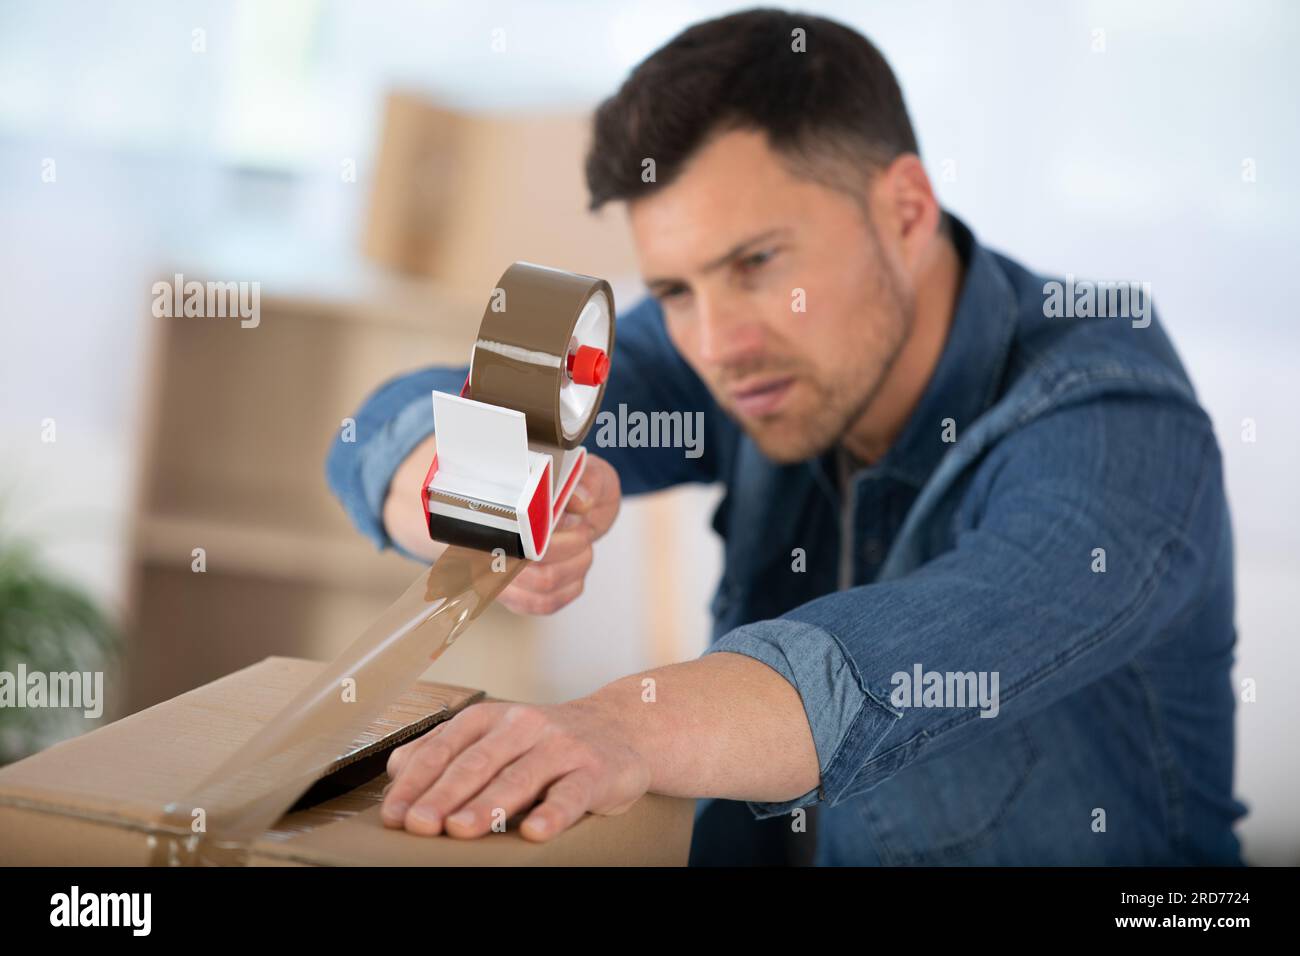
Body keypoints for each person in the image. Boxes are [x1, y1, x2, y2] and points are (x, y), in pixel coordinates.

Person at [326, 8, 1247, 865]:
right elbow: (395, 417)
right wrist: (466, 495)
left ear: (906, 211)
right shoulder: (743, 346)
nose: (717, 344)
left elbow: (894, 660)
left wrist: (623, 727)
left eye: (758, 263)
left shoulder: (1114, 423)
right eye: (677, 290)